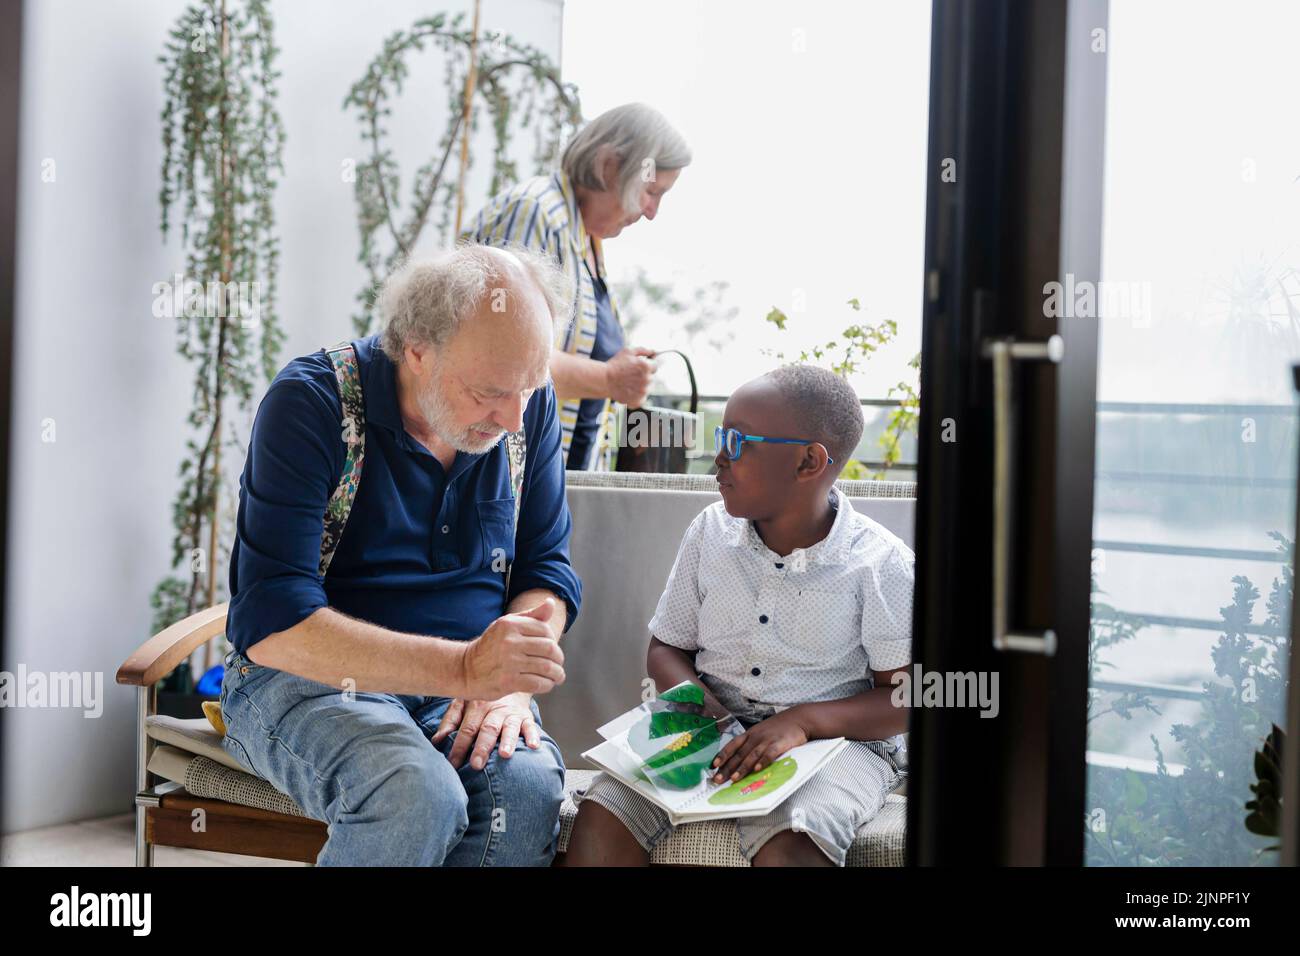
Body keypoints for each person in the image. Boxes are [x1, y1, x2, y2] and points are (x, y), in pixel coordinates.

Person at [220, 245, 582, 866]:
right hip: (313, 680)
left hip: (469, 688)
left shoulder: (523, 407)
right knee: (415, 794)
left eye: (531, 387)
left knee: (524, 794)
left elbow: (545, 568)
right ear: (416, 349)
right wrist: (466, 669)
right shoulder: (316, 403)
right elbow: (273, 621)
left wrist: (508, 683)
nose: (515, 417)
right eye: (490, 392)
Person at [563, 364, 914, 866]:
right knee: (603, 814)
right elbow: (667, 647)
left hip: (836, 745)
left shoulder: (879, 565)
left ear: (808, 462)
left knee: (795, 840)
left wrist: (803, 723)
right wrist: (702, 706)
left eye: (736, 441)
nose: (718, 459)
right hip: (708, 724)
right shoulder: (710, 532)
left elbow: (903, 699)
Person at [463, 102, 692, 470]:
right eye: (653, 192)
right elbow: (502, 358)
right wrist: (609, 379)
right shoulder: (536, 213)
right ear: (609, 167)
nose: (652, 212)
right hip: (505, 477)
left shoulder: (585, 241)